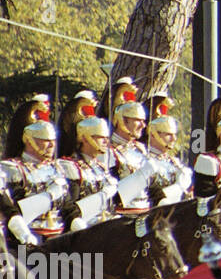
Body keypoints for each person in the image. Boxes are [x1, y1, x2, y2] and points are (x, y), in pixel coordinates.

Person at [2, 95, 72, 244]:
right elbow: (9, 210)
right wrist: (23, 234)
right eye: (45, 141)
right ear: (28, 140)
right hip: (24, 238)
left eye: (53, 141)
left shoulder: (57, 169)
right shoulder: (12, 169)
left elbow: (67, 206)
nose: (51, 146)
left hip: (59, 236)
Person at [57, 116, 118, 229]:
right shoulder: (70, 166)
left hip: (106, 226)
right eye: (101, 137)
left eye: (107, 137)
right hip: (84, 228)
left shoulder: (101, 167)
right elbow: (69, 205)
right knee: (23, 247)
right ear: (85, 138)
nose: (106, 141)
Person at [105, 78, 151, 210]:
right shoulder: (109, 151)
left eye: (143, 120)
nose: (143, 125)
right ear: (122, 121)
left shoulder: (141, 149)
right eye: (137, 120)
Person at [143, 100, 192, 204]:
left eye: (174, 134)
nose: (174, 139)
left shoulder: (175, 162)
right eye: (168, 134)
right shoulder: (143, 159)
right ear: (153, 135)